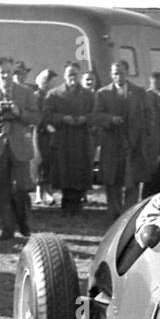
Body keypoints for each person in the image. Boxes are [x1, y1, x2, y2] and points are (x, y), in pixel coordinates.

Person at [0, 56, 40, 239]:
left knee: (21, 188)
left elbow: (37, 118)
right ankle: (7, 227)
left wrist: (19, 112)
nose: (6, 76)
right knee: (1, 189)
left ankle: (23, 224)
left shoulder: (26, 92)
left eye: (9, 72)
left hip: (20, 145)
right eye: (2, 73)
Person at [93, 59, 150, 218]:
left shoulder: (139, 92)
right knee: (112, 179)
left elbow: (147, 114)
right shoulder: (103, 93)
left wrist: (144, 135)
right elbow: (96, 116)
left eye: (121, 73)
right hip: (111, 142)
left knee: (133, 178)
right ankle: (114, 213)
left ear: (127, 73)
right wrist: (110, 119)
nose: (118, 77)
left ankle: (130, 213)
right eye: (115, 74)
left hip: (134, 142)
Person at [44, 62, 95, 213]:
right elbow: (46, 115)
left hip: (82, 138)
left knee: (80, 171)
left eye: (75, 74)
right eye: (69, 74)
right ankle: (66, 204)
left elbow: (95, 113)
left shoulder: (88, 95)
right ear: (65, 76)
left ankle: (78, 203)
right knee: (65, 171)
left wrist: (85, 119)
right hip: (63, 138)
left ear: (79, 75)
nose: (72, 77)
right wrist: (62, 118)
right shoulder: (54, 94)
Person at [33, 68, 59, 205]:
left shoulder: (53, 96)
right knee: (40, 161)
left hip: (51, 132)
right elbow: (37, 114)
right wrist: (46, 124)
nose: (52, 84)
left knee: (49, 161)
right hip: (39, 132)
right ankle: (39, 193)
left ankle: (48, 192)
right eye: (49, 81)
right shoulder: (37, 96)